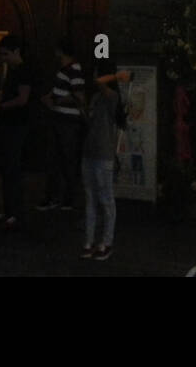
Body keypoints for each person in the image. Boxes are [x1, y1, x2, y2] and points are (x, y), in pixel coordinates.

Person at [80, 59, 130, 260]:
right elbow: (89, 122)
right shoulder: (95, 99)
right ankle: (89, 240)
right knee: (91, 199)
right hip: (89, 152)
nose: (94, 78)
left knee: (106, 199)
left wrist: (116, 77)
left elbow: (101, 82)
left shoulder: (112, 96)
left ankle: (107, 242)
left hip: (103, 155)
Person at [38, 37, 85, 211]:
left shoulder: (73, 69)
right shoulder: (67, 69)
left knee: (65, 159)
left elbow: (78, 96)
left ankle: (65, 198)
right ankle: (58, 197)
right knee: (58, 159)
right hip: (61, 118)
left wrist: (55, 101)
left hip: (67, 121)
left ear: (60, 51)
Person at [0, 34, 33, 230]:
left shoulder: (23, 71)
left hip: (17, 125)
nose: (4, 58)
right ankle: (10, 210)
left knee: (12, 169)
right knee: (8, 169)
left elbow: (22, 99)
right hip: (11, 124)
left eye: (6, 54)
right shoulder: (15, 71)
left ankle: (14, 211)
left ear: (16, 52)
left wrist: (0, 106)